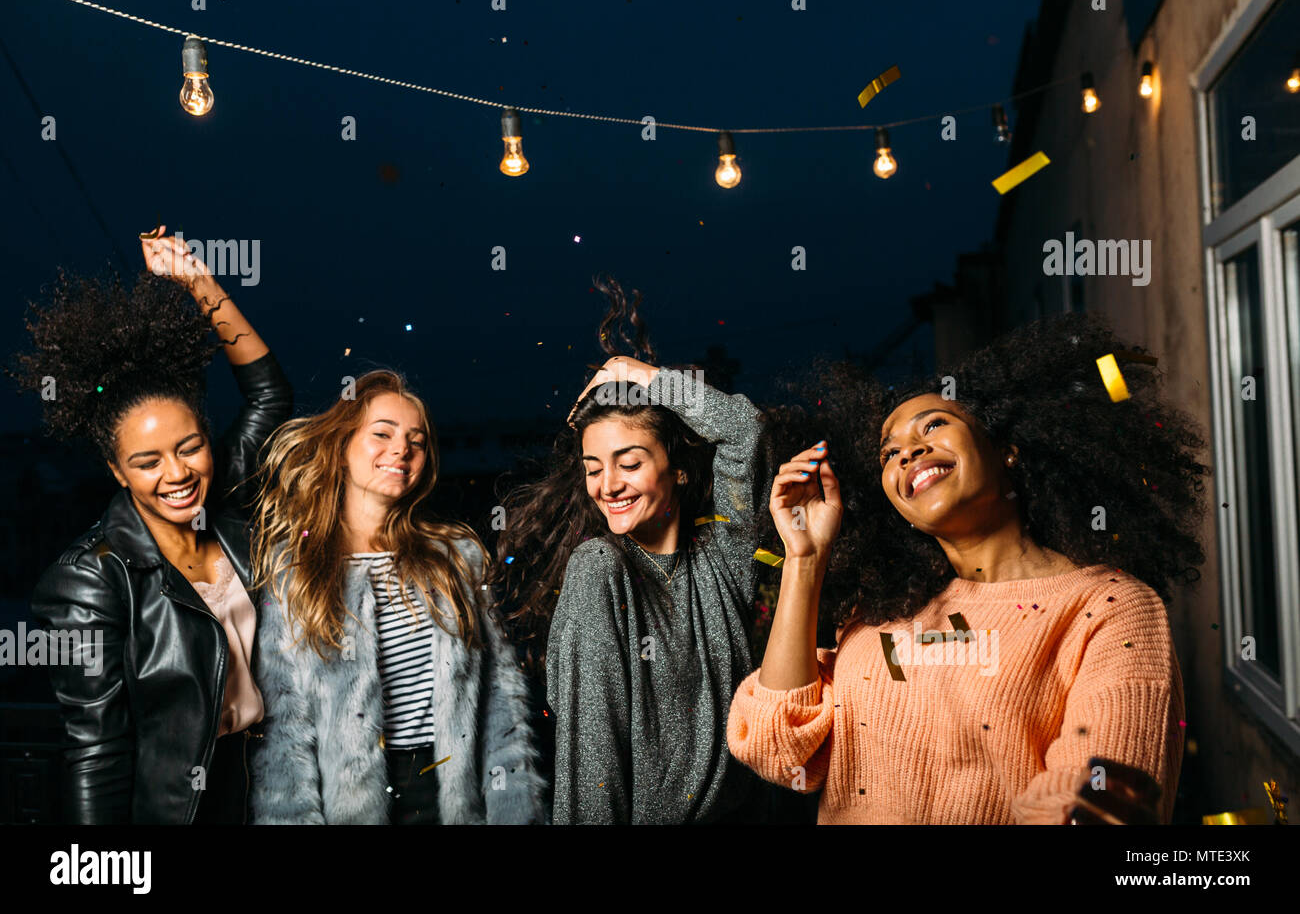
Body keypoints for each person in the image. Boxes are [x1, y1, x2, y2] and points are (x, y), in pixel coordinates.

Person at [729, 313, 1205, 823]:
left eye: (934, 424)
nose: (908, 451)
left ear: (1007, 451)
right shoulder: (877, 617)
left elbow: (1097, 798)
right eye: (889, 453)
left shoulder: (1108, 607)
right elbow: (778, 747)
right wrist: (805, 557)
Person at [15, 226, 292, 823]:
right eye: (147, 461)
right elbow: (95, 751)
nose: (177, 473)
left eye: (189, 446)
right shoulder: (89, 580)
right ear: (117, 470)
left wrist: (195, 278)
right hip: (188, 807)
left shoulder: (229, 511)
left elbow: (268, 394)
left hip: (278, 784)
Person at [491, 282, 769, 823]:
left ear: (680, 468)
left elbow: (744, 430)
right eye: (594, 468)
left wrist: (638, 375)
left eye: (630, 461)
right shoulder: (600, 570)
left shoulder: (723, 557)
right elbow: (588, 758)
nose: (608, 484)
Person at [248, 369, 545, 824]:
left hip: (451, 797)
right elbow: (284, 732)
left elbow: (502, 702)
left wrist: (515, 811)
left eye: (417, 440)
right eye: (382, 433)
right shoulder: (295, 570)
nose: (402, 449)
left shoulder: (456, 558)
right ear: (342, 445)